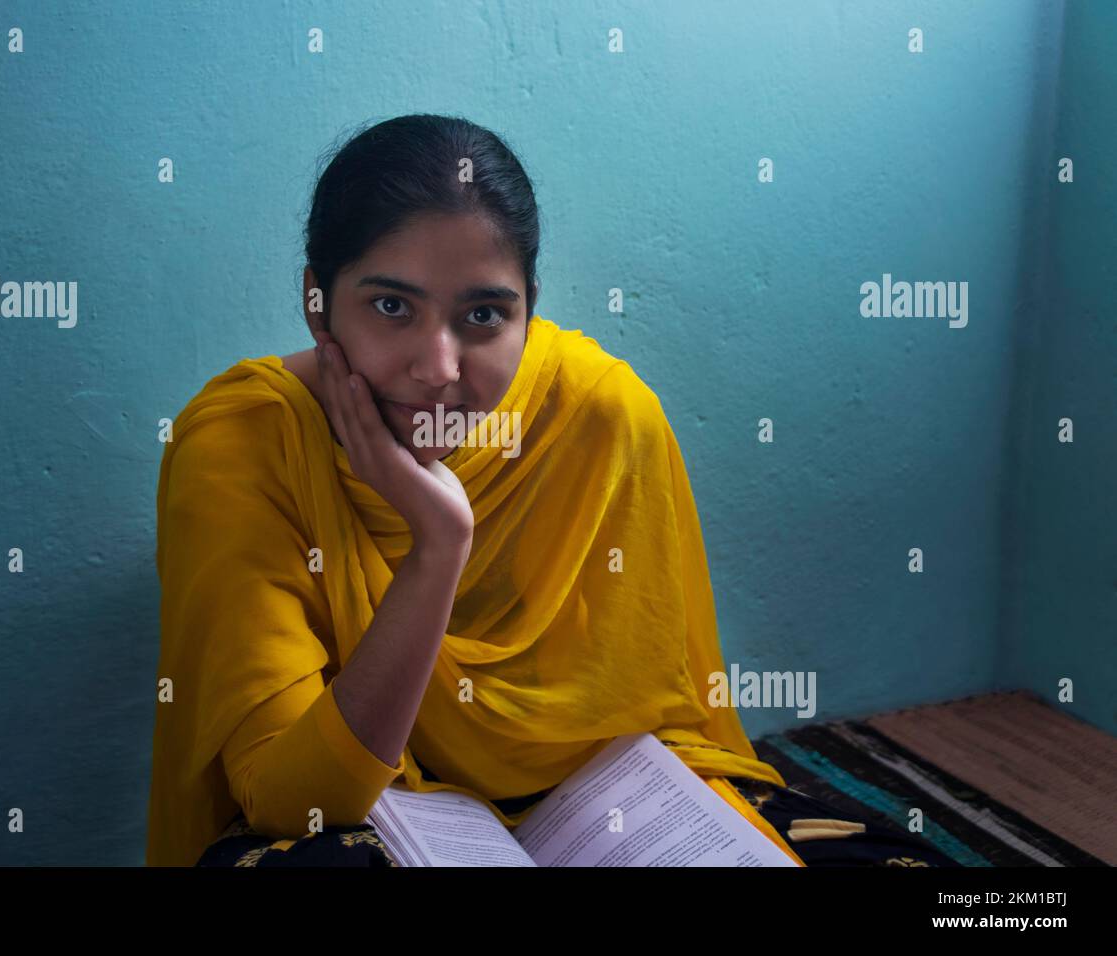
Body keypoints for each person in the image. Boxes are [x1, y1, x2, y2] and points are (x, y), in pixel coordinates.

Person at [146, 113, 958, 869]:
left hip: (602, 815)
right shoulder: (242, 443)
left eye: (484, 315)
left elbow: (663, 728)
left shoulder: (598, 415)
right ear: (316, 304)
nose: (439, 369)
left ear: (531, 309)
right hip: (368, 815)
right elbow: (298, 801)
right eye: (391, 306)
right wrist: (439, 548)